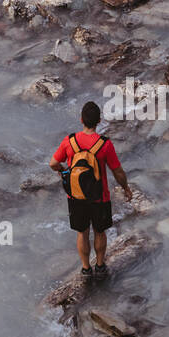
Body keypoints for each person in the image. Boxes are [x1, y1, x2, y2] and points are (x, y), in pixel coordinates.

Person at [51, 101, 132, 277]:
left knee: (82, 232)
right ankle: (101, 266)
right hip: (99, 196)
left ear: (81, 120)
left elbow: (53, 163)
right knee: (99, 232)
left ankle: (86, 268)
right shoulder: (105, 145)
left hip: (76, 196)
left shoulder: (69, 141)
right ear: (99, 121)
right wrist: (125, 188)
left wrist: (64, 172)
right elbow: (117, 171)